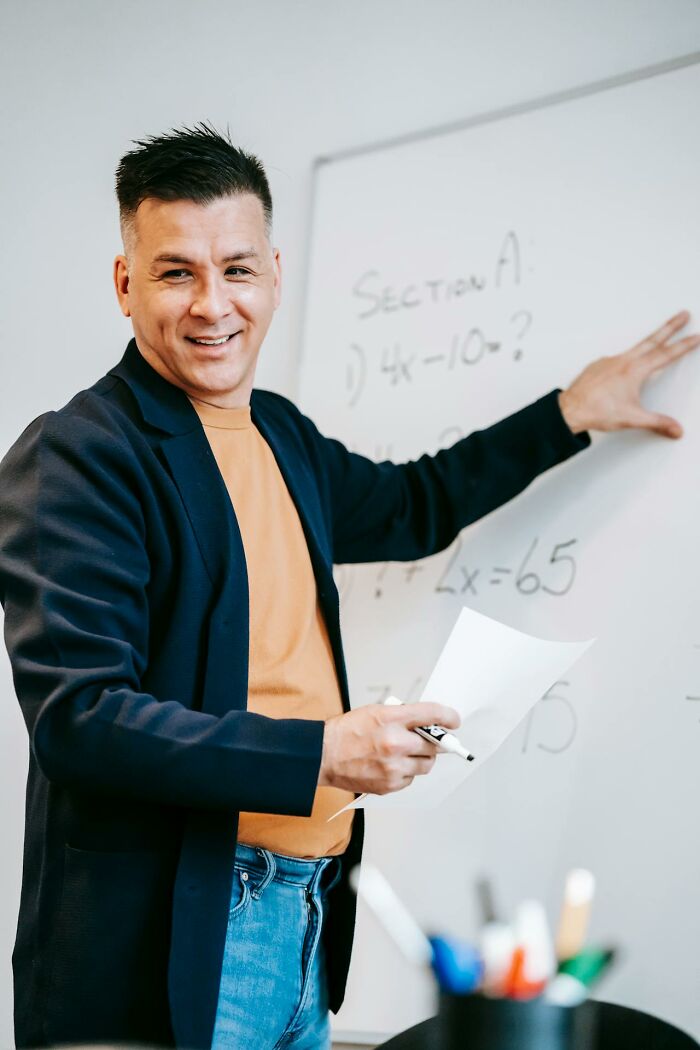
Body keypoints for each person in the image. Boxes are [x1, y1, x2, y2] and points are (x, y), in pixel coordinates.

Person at [0, 124, 697, 1050]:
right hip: (181, 940)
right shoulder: (79, 454)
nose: (214, 306)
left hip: (308, 917)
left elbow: (417, 502)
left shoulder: (282, 435)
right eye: (176, 273)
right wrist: (320, 754)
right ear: (126, 284)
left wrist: (568, 412)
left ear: (276, 275)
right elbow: (81, 718)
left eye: (237, 269)